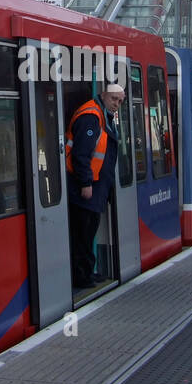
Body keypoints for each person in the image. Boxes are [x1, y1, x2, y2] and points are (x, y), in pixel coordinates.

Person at [66, 83, 124, 289]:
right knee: (83, 233)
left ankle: (88, 271)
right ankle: (82, 276)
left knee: (88, 231)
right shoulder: (91, 116)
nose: (117, 104)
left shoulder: (101, 115)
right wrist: (85, 183)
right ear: (104, 95)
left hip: (97, 187)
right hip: (86, 188)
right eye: (114, 99)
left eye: (120, 101)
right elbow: (81, 154)